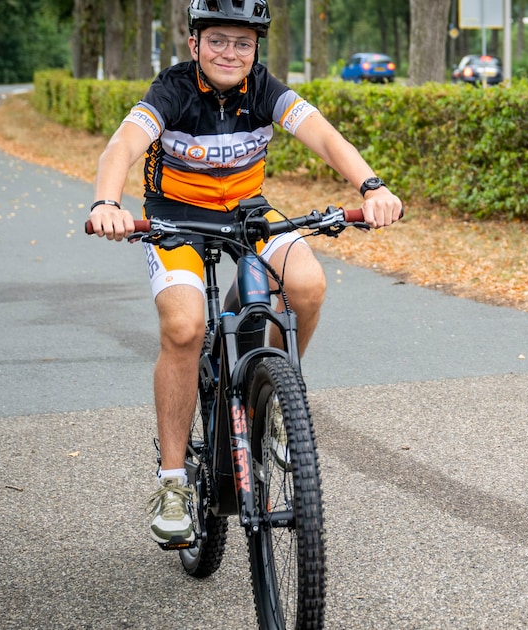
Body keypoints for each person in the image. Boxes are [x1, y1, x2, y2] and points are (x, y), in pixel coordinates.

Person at [87, 0, 403, 546]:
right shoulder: (172, 90)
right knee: (184, 329)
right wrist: (105, 202)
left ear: (255, 49)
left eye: (242, 43)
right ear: (194, 45)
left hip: (248, 211)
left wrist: (371, 187)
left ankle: (274, 398)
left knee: (307, 285)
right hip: (173, 220)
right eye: (217, 41)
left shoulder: (265, 89)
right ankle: (172, 484)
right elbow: (123, 146)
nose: (230, 52)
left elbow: (326, 137)